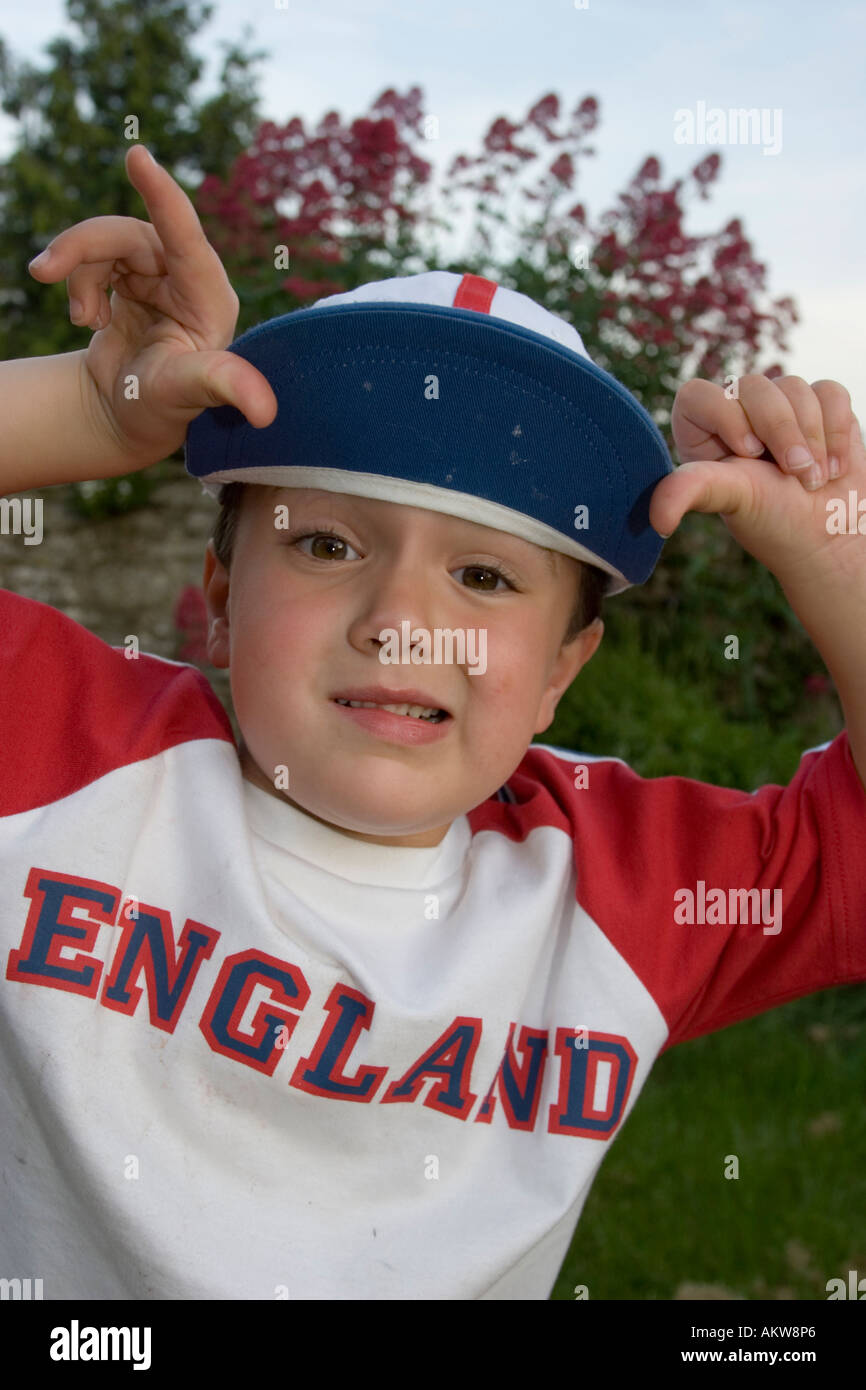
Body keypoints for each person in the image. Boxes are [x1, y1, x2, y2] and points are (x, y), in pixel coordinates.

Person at [1, 145, 864, 1301]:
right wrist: (87, 413)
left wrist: (835, 556)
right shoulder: (56, 748)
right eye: (326, 544)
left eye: (485, 577)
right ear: (217, 601)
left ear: (563, 669)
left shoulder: (617, 891)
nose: (402, 623)